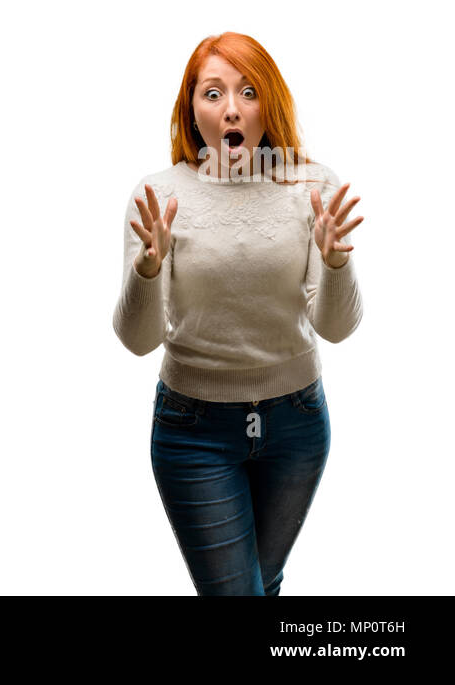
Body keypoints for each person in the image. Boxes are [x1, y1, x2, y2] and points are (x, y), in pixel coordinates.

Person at [113, 32, 364, 595]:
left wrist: (336, 263)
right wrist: (149, 268)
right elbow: (137, 340)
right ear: (192, 109)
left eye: (248, 91)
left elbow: (338, 329)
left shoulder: (312, 184)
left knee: (261, 583)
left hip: (297, 424)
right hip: (193, 430)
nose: (231, 107)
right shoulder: (157, 195)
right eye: (213, 92)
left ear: (268, 102)